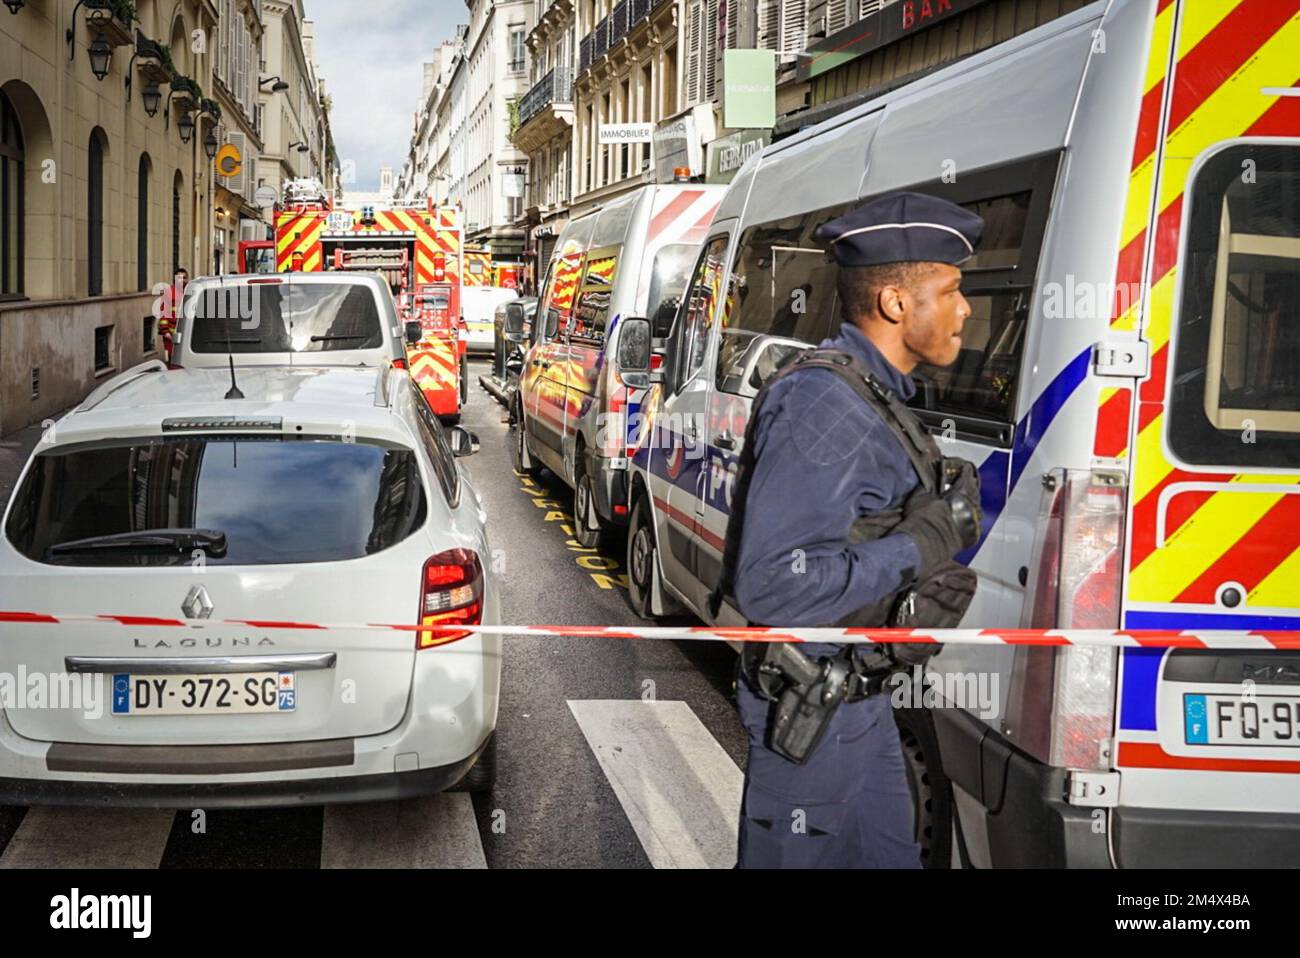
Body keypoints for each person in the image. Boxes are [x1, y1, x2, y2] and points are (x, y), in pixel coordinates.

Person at [721, 191, 986, 868]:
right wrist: (922, 543)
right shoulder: (826, 405)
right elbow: (773, 584)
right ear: (897, 303)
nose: (966, 310)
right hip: (813, 708)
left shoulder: (872, 396)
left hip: (859, 703)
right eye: (951, 291)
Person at [158, 267, 188, 361]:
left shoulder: (189, 291)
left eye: (184, 277)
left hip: (186, 334)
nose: (182, 280)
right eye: (180, 277)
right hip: (171, 335)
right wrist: (165, 332)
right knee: (172, 359)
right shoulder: (169, 292)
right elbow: (163, 313)